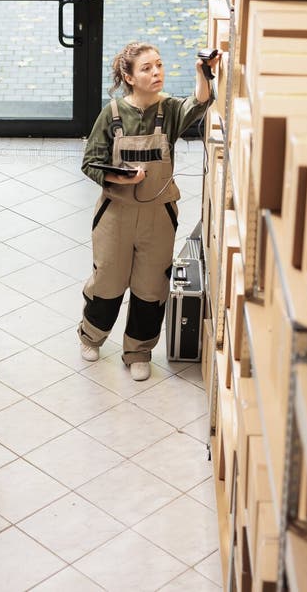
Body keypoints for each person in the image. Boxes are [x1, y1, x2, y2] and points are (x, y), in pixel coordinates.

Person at [78, 41, 219, 381]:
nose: (156, 73)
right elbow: (89, 163)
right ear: (128, 76)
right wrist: (119, 177)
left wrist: (203, 72)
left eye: (158, 65)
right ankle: (91, 336)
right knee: (109, 278)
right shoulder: (111, 114)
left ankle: (139, 350)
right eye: (146, 68)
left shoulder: (168, 109)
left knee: (151, 285)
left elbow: (199, 103)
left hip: (158, 213)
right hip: (116, 212)